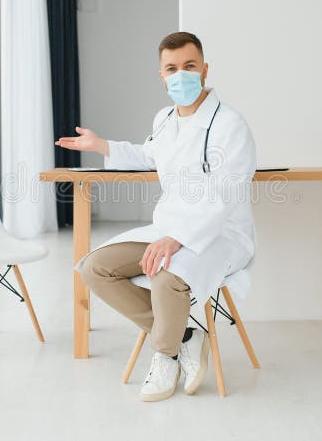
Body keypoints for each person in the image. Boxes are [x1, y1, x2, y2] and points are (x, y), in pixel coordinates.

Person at [54, 31, 257, 402]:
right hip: (167, 227)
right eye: (172, 68)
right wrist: (101, 146)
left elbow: (226, 194)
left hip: (222, 234)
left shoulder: (230, 124)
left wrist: (179, 238)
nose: (181, 75)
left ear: (205, 69)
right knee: (93, 268)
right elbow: (149, 155)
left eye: (190, 66)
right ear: (162, 75)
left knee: (167, 275)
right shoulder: (164, 118)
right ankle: (184, 337)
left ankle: (164, 355)